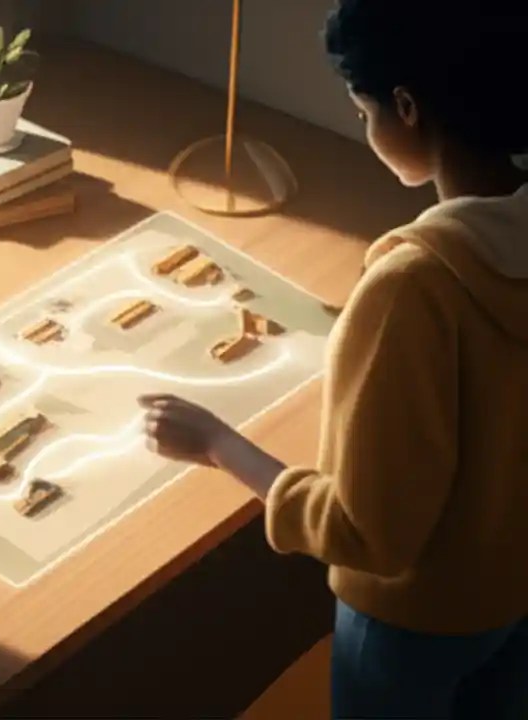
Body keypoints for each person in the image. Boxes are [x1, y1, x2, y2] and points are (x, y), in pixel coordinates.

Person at [139, 1, 528, 717]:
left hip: (412, 624)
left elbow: (365, 534)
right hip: (510, 592)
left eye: (362, 111)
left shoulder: (415, 287)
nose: (365, 127)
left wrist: (219, 444)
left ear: (406, 107)